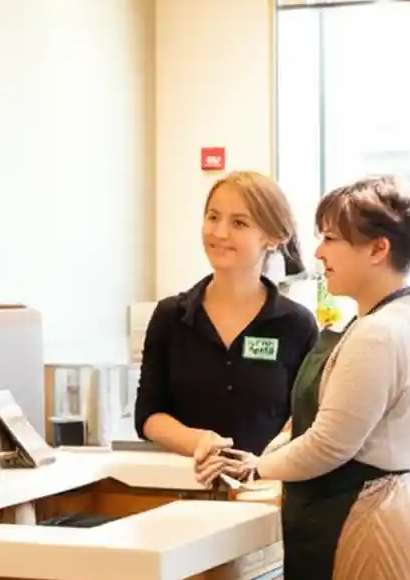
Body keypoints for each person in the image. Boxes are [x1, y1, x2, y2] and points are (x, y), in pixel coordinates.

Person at [198, 176, 410, 580]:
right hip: (390, 511)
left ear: (379, 248)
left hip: (368, 524)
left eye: (332, 238)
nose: (317, 251)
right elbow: (313, 423)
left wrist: (255, 467)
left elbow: (329, 444)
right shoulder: (396, 316)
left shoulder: (379, 333)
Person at [134, 171, 318, 464]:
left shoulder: (297, 324)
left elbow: (307, 416)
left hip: (266, 491)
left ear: (272, 237)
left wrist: (262, 464)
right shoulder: (171, 317)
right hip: (184, 487)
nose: (219, 233)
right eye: (213, 217)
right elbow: (148, 415)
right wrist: (201, 442)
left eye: (239, 223)